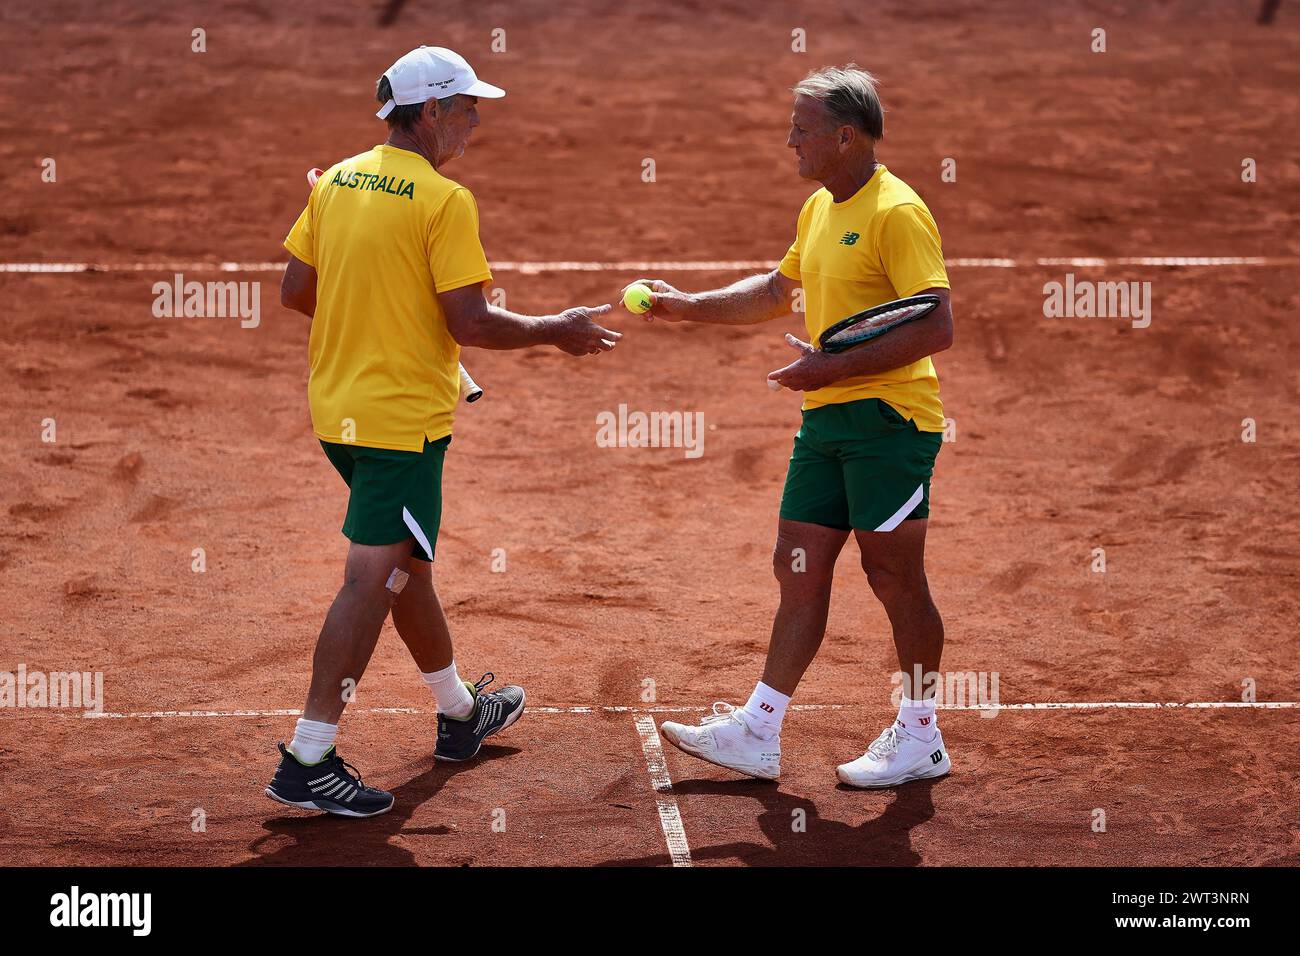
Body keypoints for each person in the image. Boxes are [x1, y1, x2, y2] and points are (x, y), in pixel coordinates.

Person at [268, 46, 621, 817]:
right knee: (371, 578)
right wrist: (557, 328)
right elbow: (473, 321)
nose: (476, 118)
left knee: (405, 568)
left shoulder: (335, 181)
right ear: (429, 112)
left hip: (339, 414)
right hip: (401, 425)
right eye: (466, 104)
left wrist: (377, 314)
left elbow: (299, 291)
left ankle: (460, 714)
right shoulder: (443, 199)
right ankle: (309, 756)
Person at [642, 65, 955, 789]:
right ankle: (759, 730)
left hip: (890, 420)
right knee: (799, 565)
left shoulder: (896, 212)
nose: (790, 141)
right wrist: (686, 306)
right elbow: (776, 292)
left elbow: (937, 323)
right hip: (827, 418)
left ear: (845, 136)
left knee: (893, 575)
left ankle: (920, 736)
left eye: (801, 128)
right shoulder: (820, 209)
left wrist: (835, 371)